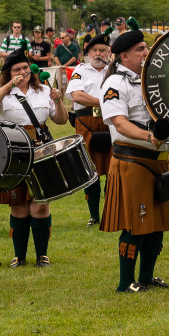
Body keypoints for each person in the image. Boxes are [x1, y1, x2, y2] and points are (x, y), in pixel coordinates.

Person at [99, 19, 169, 292]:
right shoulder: (115, 84)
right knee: (135, 224)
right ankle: (125, 283)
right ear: (124, 56)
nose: (147, 52)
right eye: (141, 49)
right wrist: (150, 137)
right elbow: (119, 123)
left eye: (146, 47)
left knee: (156, 225)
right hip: (132, 160)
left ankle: (146, 278)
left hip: (157, 161)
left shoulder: (150, 80)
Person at [0, 48, 68, 267]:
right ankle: (19, 256)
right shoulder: (2, 91)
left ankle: (42, 255)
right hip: (13, 151)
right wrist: (9, 86)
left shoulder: (42, 91)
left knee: (40, 204)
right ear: (8, 73)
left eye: (25, 68)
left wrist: (58, 101)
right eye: (16, 69)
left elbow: (60, 120)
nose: (22, 72)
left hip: (40, 150)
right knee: (18, 205)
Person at [66, 28, 114, 226]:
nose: (98, 54)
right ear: (88, 53)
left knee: (114, 170)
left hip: (112, 123)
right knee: (90, 171)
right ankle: (94, 216)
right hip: (87, 124)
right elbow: (77, 96)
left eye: (102, 50)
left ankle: (112, 213)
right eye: (94, 50)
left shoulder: (116, 70)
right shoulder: (80, 70)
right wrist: (104, 102)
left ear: (109, 52)